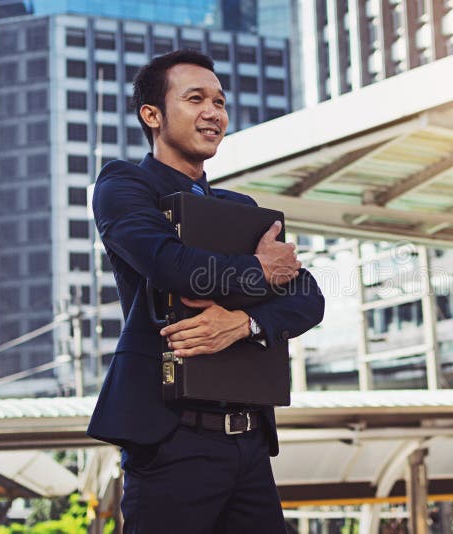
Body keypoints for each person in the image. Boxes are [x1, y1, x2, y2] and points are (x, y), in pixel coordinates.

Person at [87, 49, 325, 533]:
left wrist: (246, 322)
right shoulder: (123, 185)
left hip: (249, 442)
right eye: (195, 98)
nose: (213, 112)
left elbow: (307, 296)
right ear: (151, 114)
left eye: (219, 101)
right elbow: (170, 265)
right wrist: (260, 271)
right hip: (171, 440)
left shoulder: (240, 209)